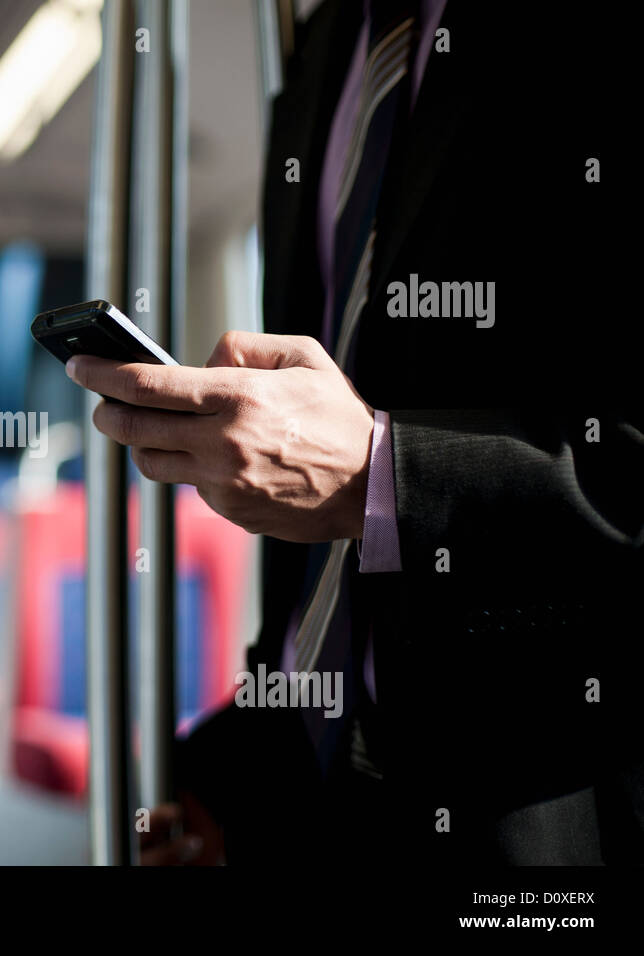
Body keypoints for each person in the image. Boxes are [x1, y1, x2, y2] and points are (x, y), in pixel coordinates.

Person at [69, 1, 640, 864]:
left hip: (545, 815)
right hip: (311, 805)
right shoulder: (327, 49)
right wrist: (233, 773)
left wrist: (383, 470)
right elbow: (327, 580)